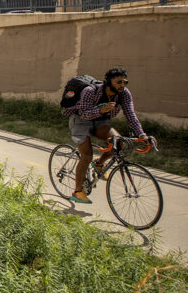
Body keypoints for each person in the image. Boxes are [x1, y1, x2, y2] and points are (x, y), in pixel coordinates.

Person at [62, 67, 148, 204]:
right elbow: (84, 114)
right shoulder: (90, 91)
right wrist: (101, 109)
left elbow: (131, 115)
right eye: (119, 82)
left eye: (125, 82)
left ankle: (99, 163)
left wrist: (142, 134)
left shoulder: (124, 94)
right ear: (108, 81)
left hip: (99, 121)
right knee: (87, 155)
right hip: (79, 120)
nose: (123, 85)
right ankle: (77, 192)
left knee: (119, 143)